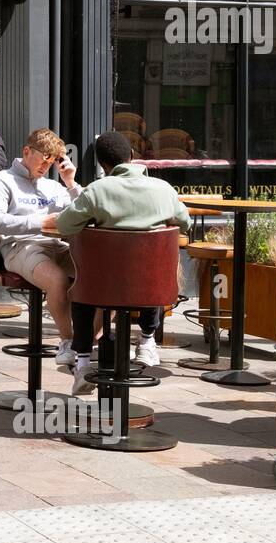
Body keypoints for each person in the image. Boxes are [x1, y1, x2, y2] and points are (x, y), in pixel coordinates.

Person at [42, 132, 190, 394]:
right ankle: (146, 340)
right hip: (151, 290)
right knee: (150, 267)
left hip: (101, 290)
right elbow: (185, 223)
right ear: (132, 158)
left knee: (83, 274)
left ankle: (84, 361)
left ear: (102, 165)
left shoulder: (97, 191)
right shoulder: (164, 190)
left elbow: (65, 224)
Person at [0, 128, 83, 366]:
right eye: (43, 159)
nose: (46, 166)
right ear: (27, 151)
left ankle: (88, 343)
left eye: (52, 161)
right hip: (20, 246)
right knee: (58, 280)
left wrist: (71, 182)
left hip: (57, 245)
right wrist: (40, 222)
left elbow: (83, 212)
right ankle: (68, 343)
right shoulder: (1, 180)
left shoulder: (54, 187)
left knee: (102, 274)